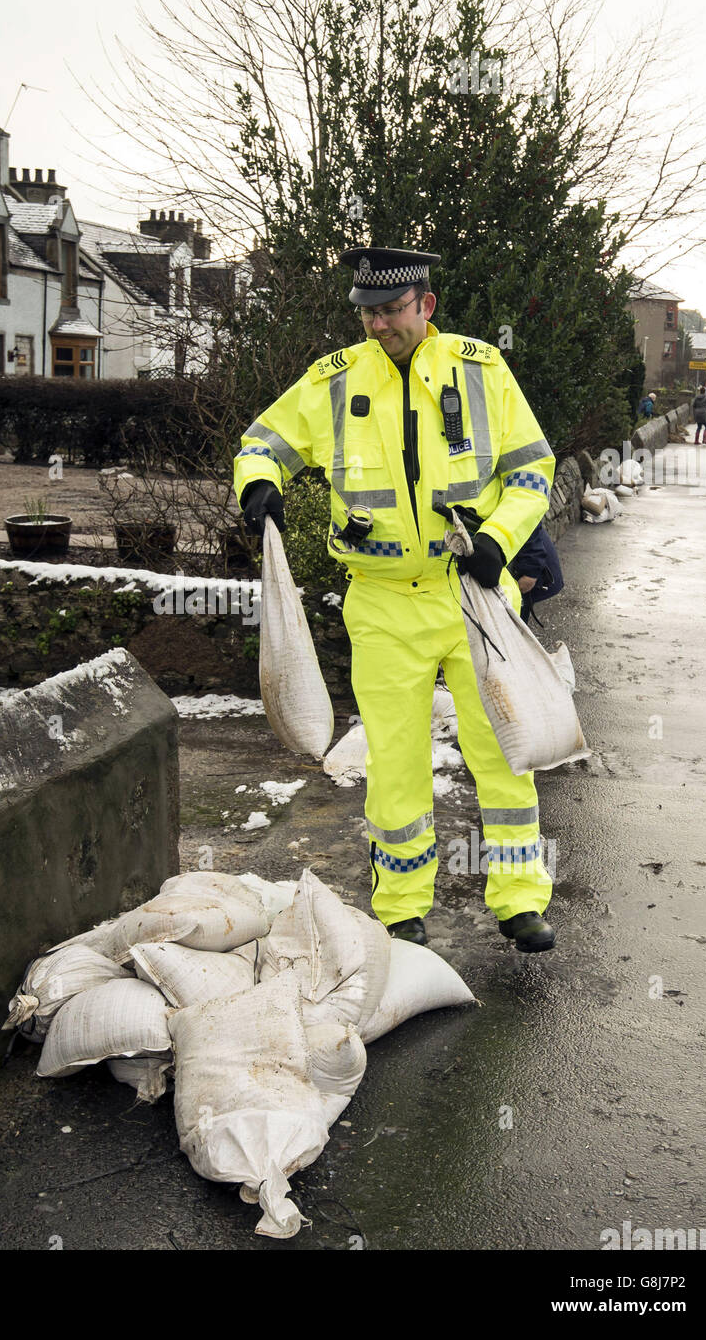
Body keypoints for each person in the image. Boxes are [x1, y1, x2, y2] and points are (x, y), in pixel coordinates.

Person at [234, 246, 557, 953]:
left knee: (505, 754)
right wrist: (259, 485)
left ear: (425, 305)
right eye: (367, 312)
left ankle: (519, 902)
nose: (378, 324)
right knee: (396, 762)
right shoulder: (333, 380)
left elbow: (533, 467)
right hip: (380, 604)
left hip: (473, 599)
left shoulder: (480, 368)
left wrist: (499, 540)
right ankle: (401, 906)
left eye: (390, 310)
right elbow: (262, 442)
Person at [508, 521, 564, 623]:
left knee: (514, 620)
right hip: (516, 556)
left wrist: (531, 572)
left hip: (522, 562)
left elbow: (527, 517)